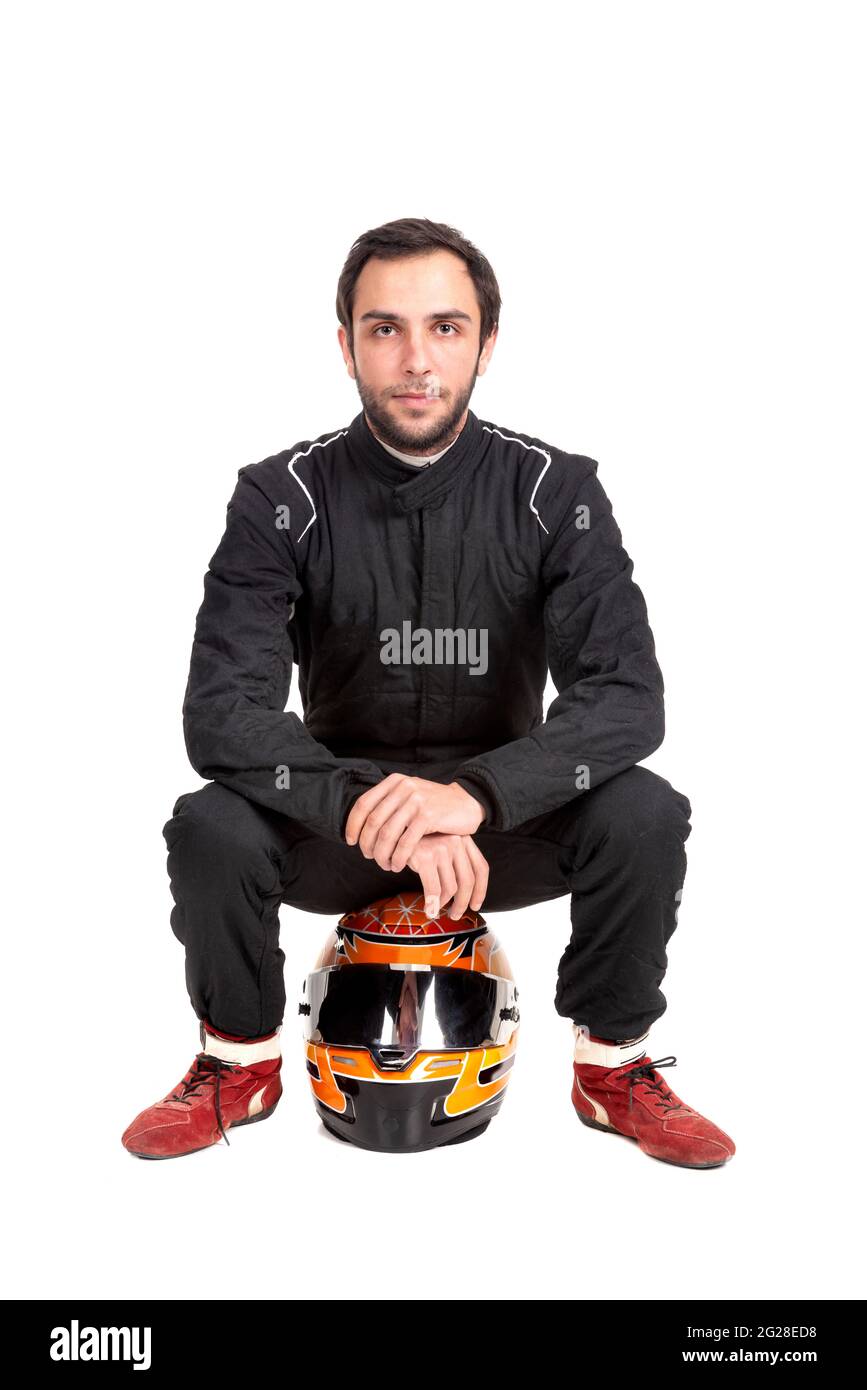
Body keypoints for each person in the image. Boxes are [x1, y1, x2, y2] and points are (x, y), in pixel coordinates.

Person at [122, 217, 735, 1169]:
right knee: (209, 825)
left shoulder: (554, 490)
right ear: (345, 345)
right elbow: (221, 712)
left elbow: (625, 697)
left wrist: (476, 797)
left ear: (487, 342)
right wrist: (367, 800)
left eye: (445, 328)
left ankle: (612, 1068)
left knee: (644, 812)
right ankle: (238, 1060)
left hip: (500, 829)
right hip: (339, 823)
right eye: (384, 329)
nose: (415, 359)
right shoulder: (278, 497)